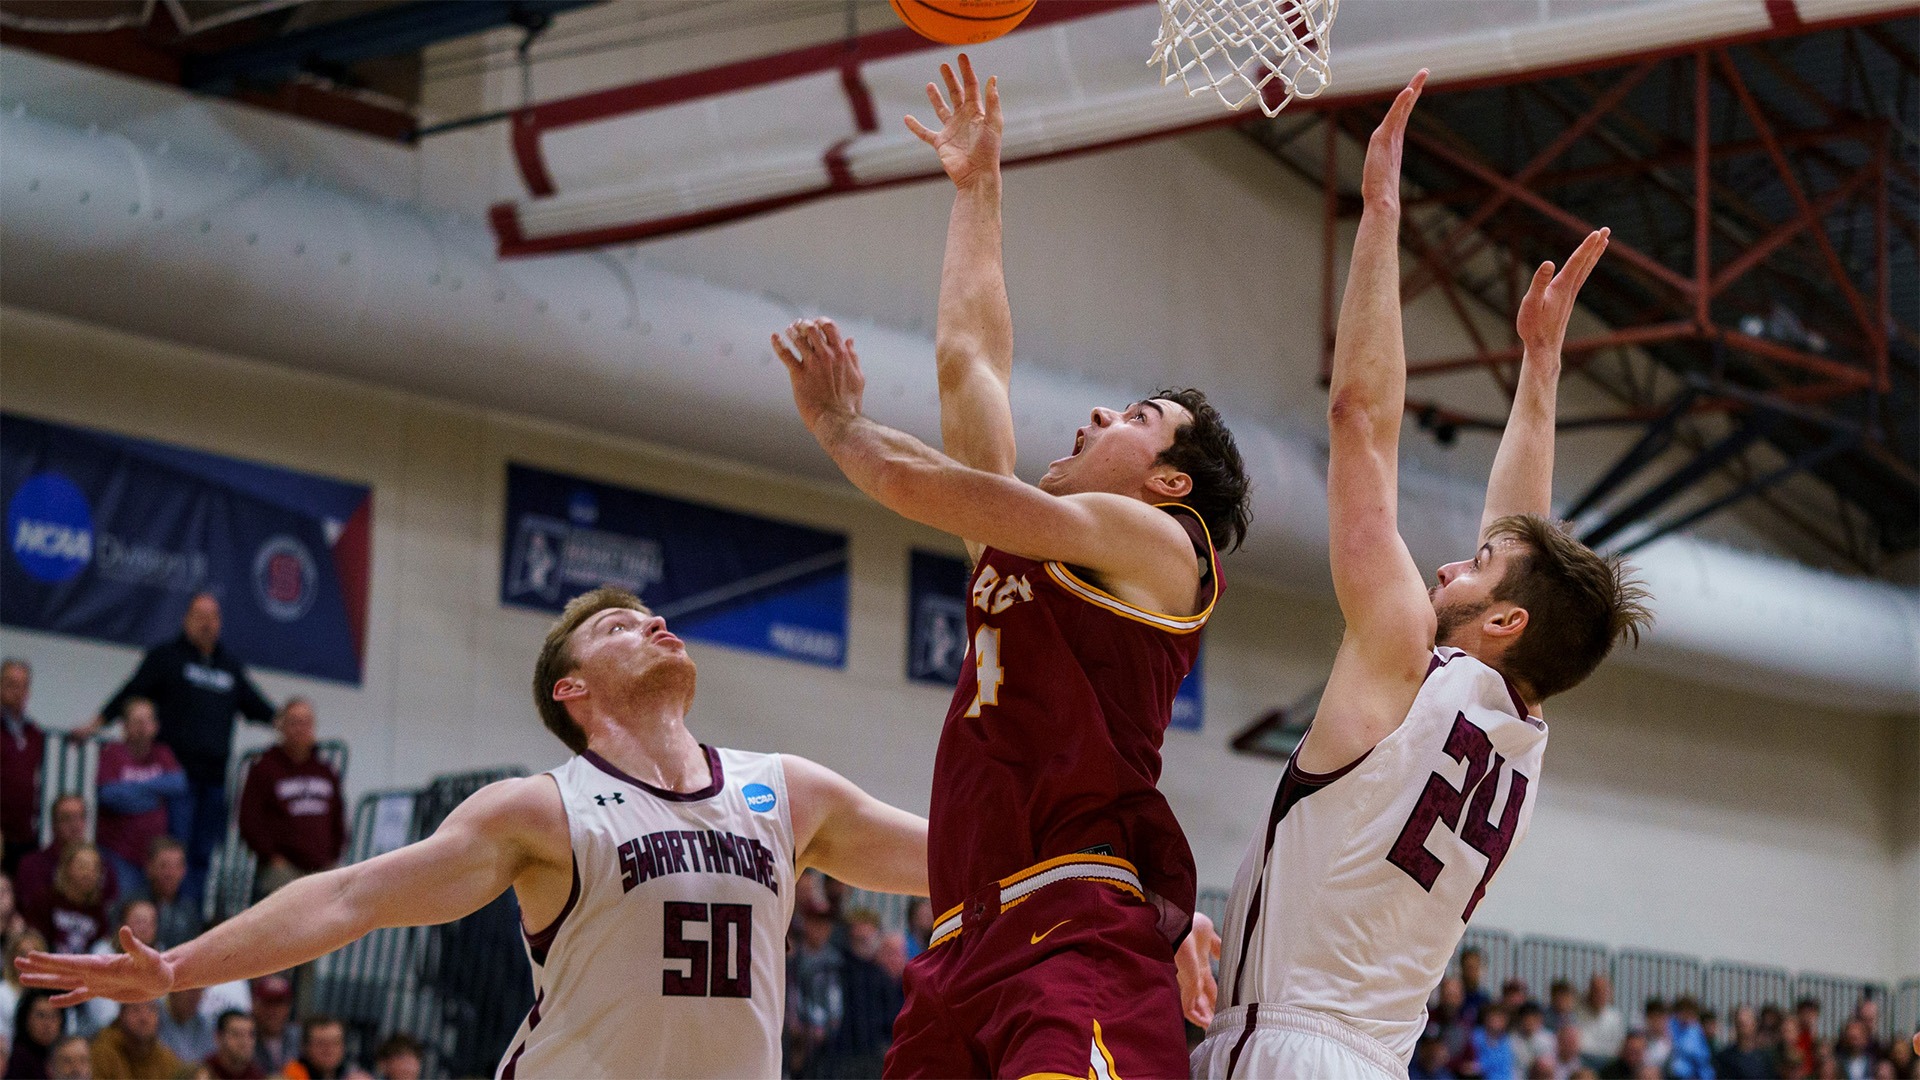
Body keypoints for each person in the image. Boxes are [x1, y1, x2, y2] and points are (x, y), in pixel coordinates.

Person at [773, 53, 1249, 1080]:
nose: (1098, 414)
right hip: (961, 939)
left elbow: (949, 487)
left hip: (1076, 932)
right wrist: (977, 189)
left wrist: (844, 429)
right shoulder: (1031, 547)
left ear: (1170, 483)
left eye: (1135, 418)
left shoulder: (1167, 547)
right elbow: (972, 364)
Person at [1193, 71, 1650, 1080]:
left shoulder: (1403, 654)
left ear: (1505, 623)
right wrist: (1539, 366)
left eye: (1475, 566)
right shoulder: (1519, 736)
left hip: (1285, 1050)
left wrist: (1381, 215)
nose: (1451, 563)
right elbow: (1522, 540)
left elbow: (1359, 421)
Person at [21, 587, 930, 1078]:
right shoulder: (543, 810)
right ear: (572, 691)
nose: (656, 622)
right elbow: (352, 895)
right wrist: (179, 967)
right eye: (620, 626)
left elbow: (957, 858)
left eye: (653, 616)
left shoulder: (785, 791)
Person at [86, 594, 277, 900]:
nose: (207, 623)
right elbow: (132, 691)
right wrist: (96, 723)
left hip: (214, 780)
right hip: (177, 781)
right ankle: (164, 915)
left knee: (202, 856)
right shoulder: (166, 657)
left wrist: (290, 723)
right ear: (186, 620)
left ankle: (188, 918)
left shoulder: (229, 667)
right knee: (174, 854)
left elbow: (257, 706)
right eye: (200, 616)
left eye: (213, 617)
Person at [236, 700, 345, 899]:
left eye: (306, 722)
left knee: (342, 895)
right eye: (294, 722)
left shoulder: (326, 771)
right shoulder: (264, 769)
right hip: (281, 866)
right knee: (283, 892)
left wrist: (333, 856)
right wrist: (271, 857)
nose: (301, 729)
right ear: (281, 727)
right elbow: (250, 820)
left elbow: (339, 818)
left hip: (322, 865)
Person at [93, 700, 187, 899]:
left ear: (156, 726)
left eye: (147, 721)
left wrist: (132, 791)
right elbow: (109, 796)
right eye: (137, 722)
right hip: (118, 853)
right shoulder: (112, 752)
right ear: (125, 726)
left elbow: (178, 784)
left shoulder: (162, 753)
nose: (142, 728)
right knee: (123, 906)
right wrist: (154, 797)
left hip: (155, 856)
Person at [819, 909, 904, 1077]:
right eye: (859, 939)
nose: (864, 942)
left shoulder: (880, 976)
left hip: (872, 1057)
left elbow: (891, 1018)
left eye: (867, 938)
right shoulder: (838, 968)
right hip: (840, 1057)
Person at [14, 799, 115, 919]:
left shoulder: (103, 865)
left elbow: (109, 910)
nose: (75, 825)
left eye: (80, 817)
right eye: (67, 818)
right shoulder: (32, 864)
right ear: (53, 823)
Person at [1, 660, 47, 879]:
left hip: (24, 833)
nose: (17, 691)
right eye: (11, 684)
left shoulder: (34, 733)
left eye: (23, 686)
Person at [22, 846, 108, 955]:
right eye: (82, 866)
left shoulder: (98, 911)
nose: (88, 873)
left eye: (95, 869)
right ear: (67, 867)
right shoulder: (46, 900)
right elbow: (34, 940)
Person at [121, 840, 198, 953]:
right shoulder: (130, 904)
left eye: (176, 866)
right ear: (149, 867)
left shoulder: (189, 910)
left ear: (184, 870)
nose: (170, 873)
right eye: (163, 866)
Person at [90, 999, 184, 1080]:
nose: (144, 1018)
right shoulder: (102, 1054)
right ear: (122, 1016)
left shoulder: (167, 1060)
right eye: (135, 1009)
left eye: (151, 1009)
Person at [279, 1016, 367, 1080]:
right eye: (321, 1043)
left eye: (335, 1042)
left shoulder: (352, 1073)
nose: (329, 1049)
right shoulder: (291, 1074)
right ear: (305, 1047)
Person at [245, 976, 296, 1077]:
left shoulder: (299, 1038)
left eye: (279, 1003)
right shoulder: (244, 1037)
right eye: (268, 1003)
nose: (273, 1011)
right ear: (254, 1005)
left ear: (288, 1007)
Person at [155, 987, 213, 1066]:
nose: (195, 996)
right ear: (173, 992)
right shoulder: (152, 1016)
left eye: (200, 991)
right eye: (190, 991)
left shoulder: (205, 1026)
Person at [1579, 974, 1626, 1067]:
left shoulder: (1615, 1017)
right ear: (1590, 992)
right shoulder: (1578, 1013)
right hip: (1584, 1059)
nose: (1600, 995)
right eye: (1597, 991)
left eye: (1604, 991)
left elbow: (1620, 1044)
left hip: (1608, 1061)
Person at [202, 1011, 261, 1080]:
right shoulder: (203, 1072)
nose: (245, 1042)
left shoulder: (257, 1075)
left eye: (251, 1035)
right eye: (237, 1034)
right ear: (218, 1037)